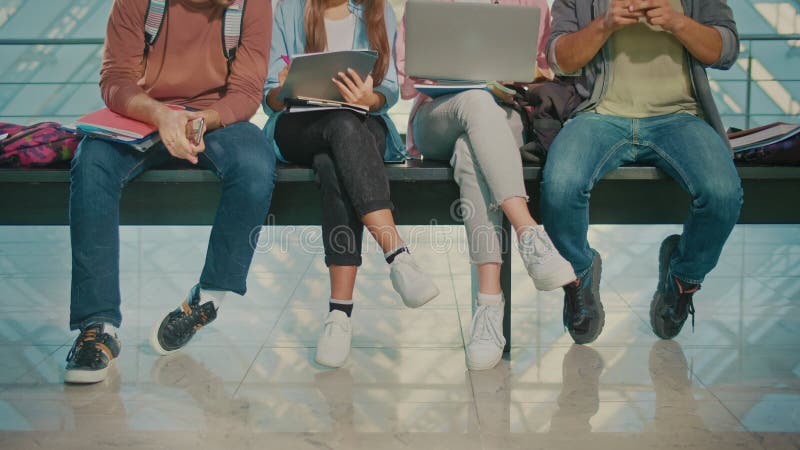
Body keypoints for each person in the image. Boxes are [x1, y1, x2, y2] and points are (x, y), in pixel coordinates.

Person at [66, 0, 273, 384]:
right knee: (91, 161)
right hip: (144, 114)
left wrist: (197, 121)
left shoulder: (251, 4)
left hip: (212, 118)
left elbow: (246, 92)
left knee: (256, 163)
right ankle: (97, 328)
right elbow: (115, 81)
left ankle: (209, 296)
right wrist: (162, 116)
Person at [542, 0, 743, 344]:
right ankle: (579, 275)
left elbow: (726, 51)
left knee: (723, 194)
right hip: (600, 115)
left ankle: (681, 279)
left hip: (681, 117)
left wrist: (678, 23)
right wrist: (604, 24)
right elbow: (558, 58)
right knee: (559, 186)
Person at [395, 0, 576, 371]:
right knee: (476, 102)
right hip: (438, 116)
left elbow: (545, 69)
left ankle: (489, 307)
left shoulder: (528, 5)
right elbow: (407, 81)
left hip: (503, 113)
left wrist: (524, 75)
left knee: (469, 151)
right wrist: (459, 77)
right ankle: (530, 235)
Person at [263, 0, 440, 368]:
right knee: (339, 126)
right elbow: (270, 99)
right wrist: (283, 88)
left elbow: (387, 93)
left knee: (334, 157)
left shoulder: (379, 11)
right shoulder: (290, 10)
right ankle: (397, 255)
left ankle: (338, 315)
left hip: (360, 125)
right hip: (300, 125)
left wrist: (368, 97)